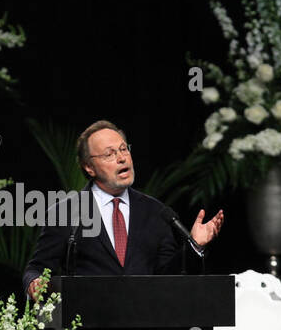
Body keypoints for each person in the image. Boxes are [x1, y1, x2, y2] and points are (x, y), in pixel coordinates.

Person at [22, 120, 225, 297]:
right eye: (109, 154)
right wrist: (34, 282)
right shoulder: (65, 213)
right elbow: (37, 268)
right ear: (89, 167)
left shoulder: (157, 212)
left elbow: (167, 275)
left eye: (123, 149)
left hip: (146, 327)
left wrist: (194, 245)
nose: (122, 158)